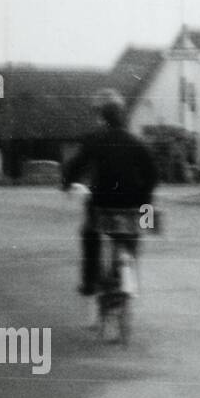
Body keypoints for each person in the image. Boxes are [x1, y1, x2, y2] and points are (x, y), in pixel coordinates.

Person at [62, 91, 158, 298]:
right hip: (133, 205)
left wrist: (68, 184)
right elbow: (152, 175)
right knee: (134, 235)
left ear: (103, 117)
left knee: (89, 235)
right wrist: (145, 200)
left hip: (102, 204)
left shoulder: (95, 140)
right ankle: (128, 273)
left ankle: (89, 283)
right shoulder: (136, 142)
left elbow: (75, 166)